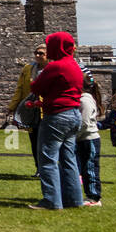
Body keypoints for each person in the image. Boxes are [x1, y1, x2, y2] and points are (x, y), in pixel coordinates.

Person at [27, 32, 84, 210]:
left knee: (48, 159)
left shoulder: (55, 66)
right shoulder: (74, 65)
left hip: (57, 115)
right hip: (74, 114)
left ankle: (51, 200)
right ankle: (74, 200)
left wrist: (33, 83)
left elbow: (36, 87)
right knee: (69, 158)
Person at [7, 43, 48, 171]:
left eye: (41, 53)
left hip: (47, 110)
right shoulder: (27, 69)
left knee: (46, 142)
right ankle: (39, 168)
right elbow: (19, 89)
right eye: (36, 52)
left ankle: (48, 169)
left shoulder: (52, 69)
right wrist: (12, 106)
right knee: (34, 140)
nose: (37, 55)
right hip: (31, 110)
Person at [76, 71, 103, 205]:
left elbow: (84, 123)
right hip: (85, 138)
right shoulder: (85, 99)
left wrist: (74, 136)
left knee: (90, 168)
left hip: (89, 139)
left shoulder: (84, 100)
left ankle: (94, 197)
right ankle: (90, 194)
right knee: (86, 168)